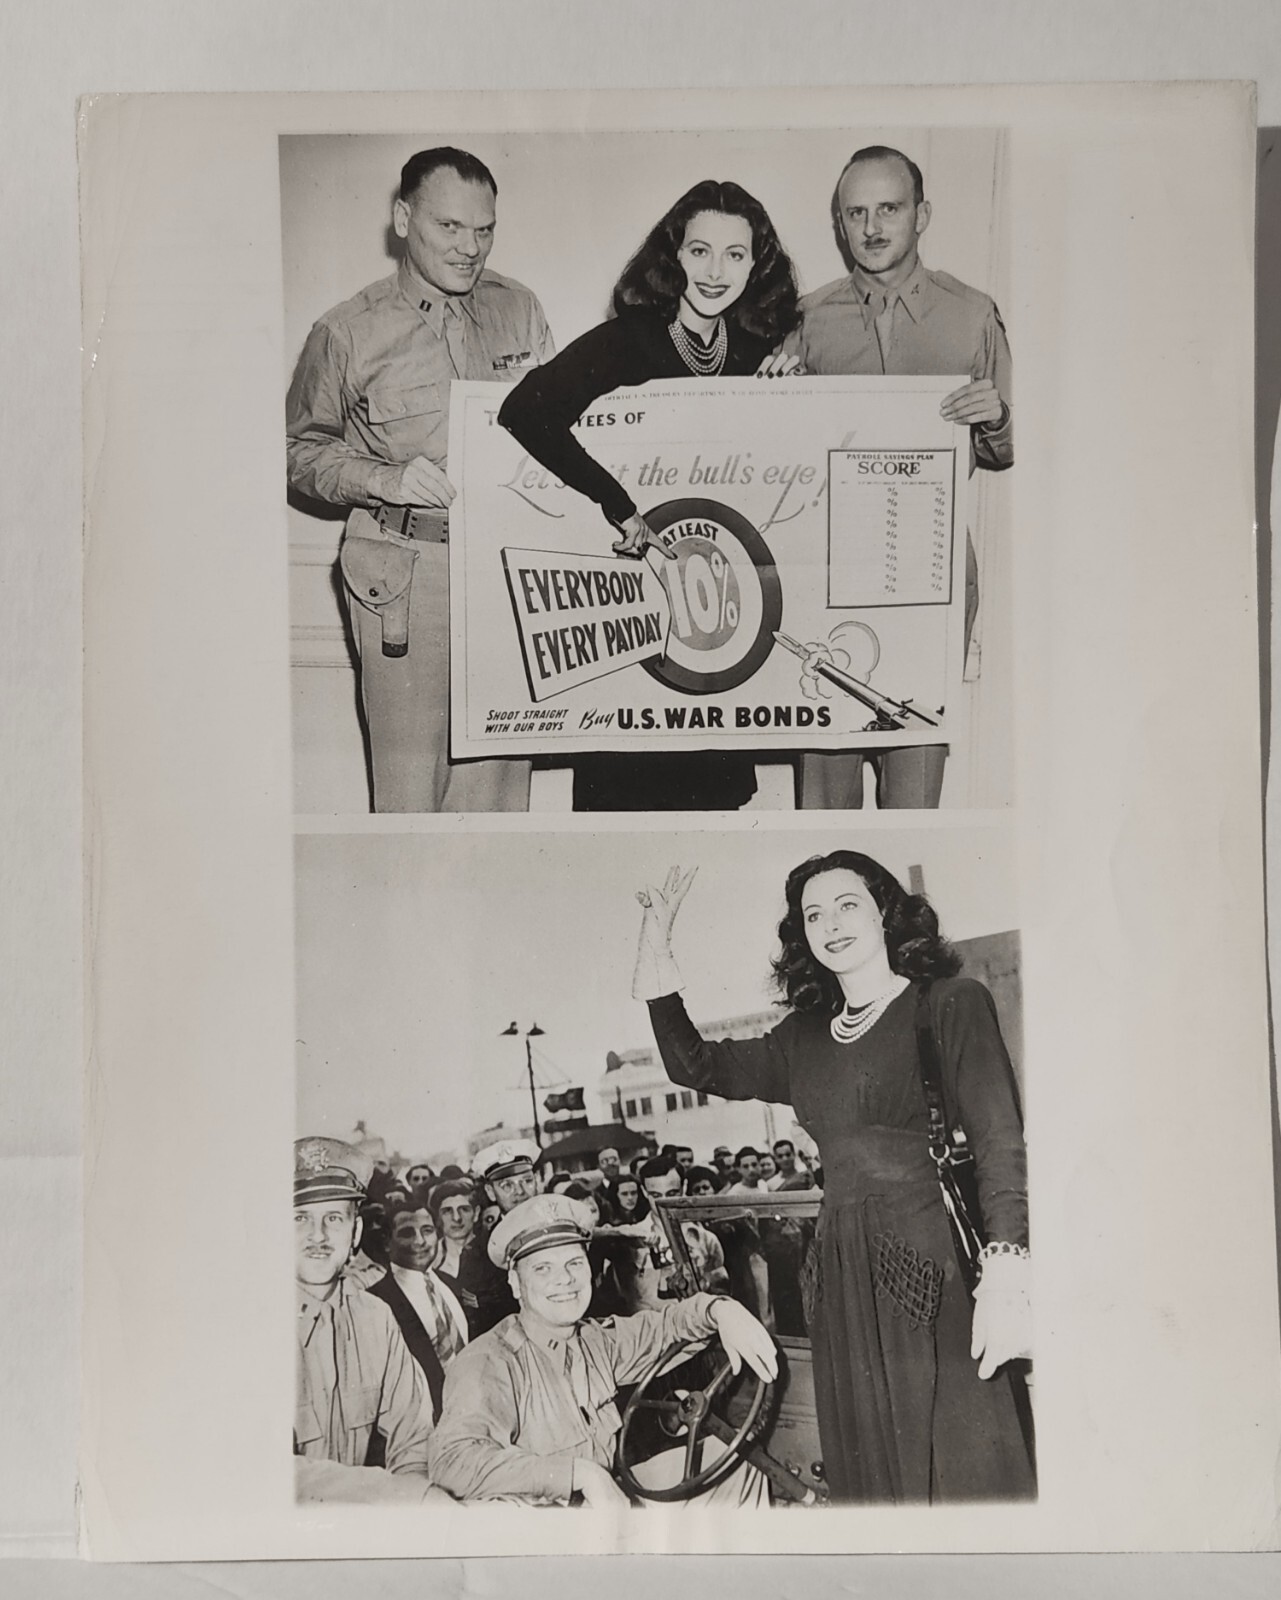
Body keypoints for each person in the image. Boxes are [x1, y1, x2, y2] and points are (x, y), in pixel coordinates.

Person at [630, 859, 1034, 1504]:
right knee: (871, 1473)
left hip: (933, 1270)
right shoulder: (805, 1038)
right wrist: (657, 943)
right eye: (813, 915)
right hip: (841, 1275)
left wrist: (1008, 1276)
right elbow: (694, 1064)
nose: (831, 925)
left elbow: (1000, 1143)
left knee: (958, 1465)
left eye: (847, 905)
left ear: (885, 912)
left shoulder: (949, 1003)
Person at [499, 179, 801, 812]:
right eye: (700, 251)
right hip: (630, 628)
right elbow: (525, 410)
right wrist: (619, 503)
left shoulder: (753, 353)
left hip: (717, 637)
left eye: (736, 255)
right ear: (673, 255)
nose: (716, 272)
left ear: (757, 265)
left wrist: (788, 392)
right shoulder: (628, 340)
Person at [286, 146, 554, 813]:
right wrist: (385, 478)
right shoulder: (347, 330)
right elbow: (297, 451)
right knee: (413, 793)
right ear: (403, 218)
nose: (470, 248)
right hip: (406, 573)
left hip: (503, 570)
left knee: (497, 787)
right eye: (450, 228)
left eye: (484, 229)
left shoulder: (519, 308)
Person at [780, 146, 1013, 811]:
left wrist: (994, 415)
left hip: (932, 574)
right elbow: (779, 460)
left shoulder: (971, 314)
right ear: (837, 223)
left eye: (889, 208)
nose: (872, 227)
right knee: (824, 790)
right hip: (828, 576)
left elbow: (1003, 453)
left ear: (922, 214)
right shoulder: (806, 318)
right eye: (855, 212)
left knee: (914, 785)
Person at [427, 1194, 775, 1506]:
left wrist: (719, 1310)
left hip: (605, 1498)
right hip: (546, 1526)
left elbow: (666, 1327)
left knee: (738, 1458)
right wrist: (577, 1475)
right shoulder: (489, 1360)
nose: (564, 1280)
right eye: (543, 1269)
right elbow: (453, 1461)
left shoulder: (594, 1339)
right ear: (516, 1284)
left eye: (574, 1264)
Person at [292, 1138, 437, 1502]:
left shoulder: (375, 1318)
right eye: (300, 1218)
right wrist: (394, 1495)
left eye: (334, 1218)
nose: (318, 1236)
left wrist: (413, 1500)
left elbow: (414, 1438)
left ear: (355, 1233)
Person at [367, 1198, 469, 1423]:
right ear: (387, 1242)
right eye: (407, 1233)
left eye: (427, 1230)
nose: (420, 1241)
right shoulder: (374, 1301)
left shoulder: (453, 1285)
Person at [460, 1140, 540, 1335]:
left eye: (527, 1181)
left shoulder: (562, 1233)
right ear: (490, 1192)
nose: (520, 1192)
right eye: (507, 1185)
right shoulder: (477, 1253)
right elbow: (481, 1325)